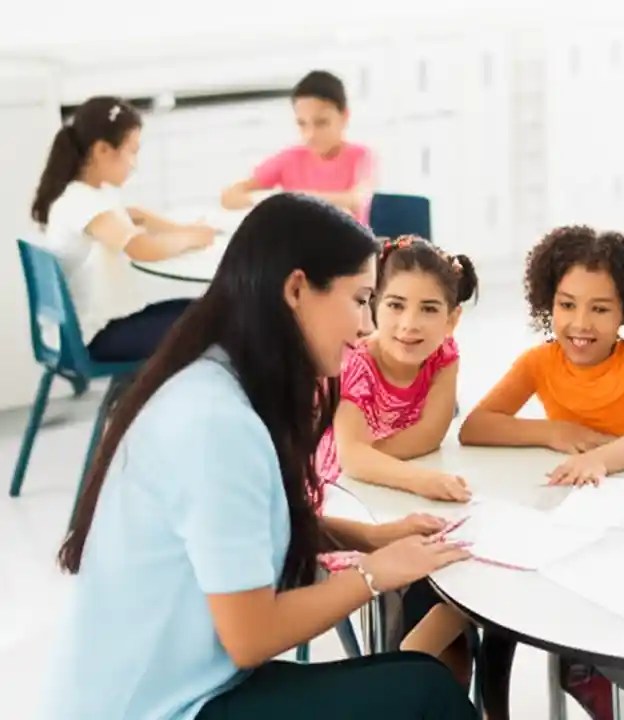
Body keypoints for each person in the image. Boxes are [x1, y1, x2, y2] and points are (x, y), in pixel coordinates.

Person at [45, 193, 476, 719]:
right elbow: (251, 636)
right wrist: (374, 572)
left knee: (421, 678)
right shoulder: (215, 423)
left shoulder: (220, 378)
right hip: (166, 707)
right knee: (425, 695)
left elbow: (250, 529)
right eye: (361, 299)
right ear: (297, 289)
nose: (366, 326)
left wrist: (371, 538)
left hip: (184, 684)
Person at [458, 225, 624, 720]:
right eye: (567, 304)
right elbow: (477, 427)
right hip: (560, 513)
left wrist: (599, 459)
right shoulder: (540, 361)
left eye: (601, 309)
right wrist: (551, 430)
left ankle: (593, 672)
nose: (580, 323)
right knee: (501, 596)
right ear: (546, 302)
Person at [32, 96, 215, 363]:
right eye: (132, 151)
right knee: (218, 325)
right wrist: (190, 238)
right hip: (98, 336)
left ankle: (138, 396)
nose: (134, 163)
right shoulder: (83, 202)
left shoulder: (87, 195)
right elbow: (140, 248)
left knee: (209, 312)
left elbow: (134, 216)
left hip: (90, 329)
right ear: (102, 150)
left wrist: (182, 228)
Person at [316, 236, 477, 501]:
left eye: (428, 309)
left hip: (389, 482)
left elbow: (431, 433)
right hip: (338, 491)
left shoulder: (444, 355)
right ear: (374, 304)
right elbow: (350, 455)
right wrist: (421, 480)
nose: (409, 323)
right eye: (395, 305)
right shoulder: (357, 362)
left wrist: (372, 458)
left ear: (451, 319)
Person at [221, 71, 376, 224]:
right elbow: (229, 196)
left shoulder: (361, 156)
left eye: (321, 122)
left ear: (344, 116)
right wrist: (264, 199)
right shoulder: (290, 158)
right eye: (302, 124)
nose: (310, 134)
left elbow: (355, 200)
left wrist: (290, 200)